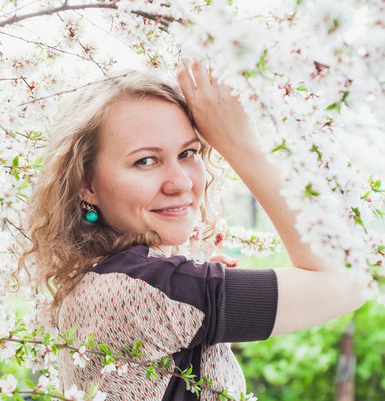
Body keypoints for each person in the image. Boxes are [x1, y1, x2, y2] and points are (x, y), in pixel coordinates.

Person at [19, 62, 368, 400]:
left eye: (188, 152)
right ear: (87, 185)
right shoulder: (145, 291)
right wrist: (242, 143)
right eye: (145, 161)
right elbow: (353, 279)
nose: (181, 182)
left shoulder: (105, 281)